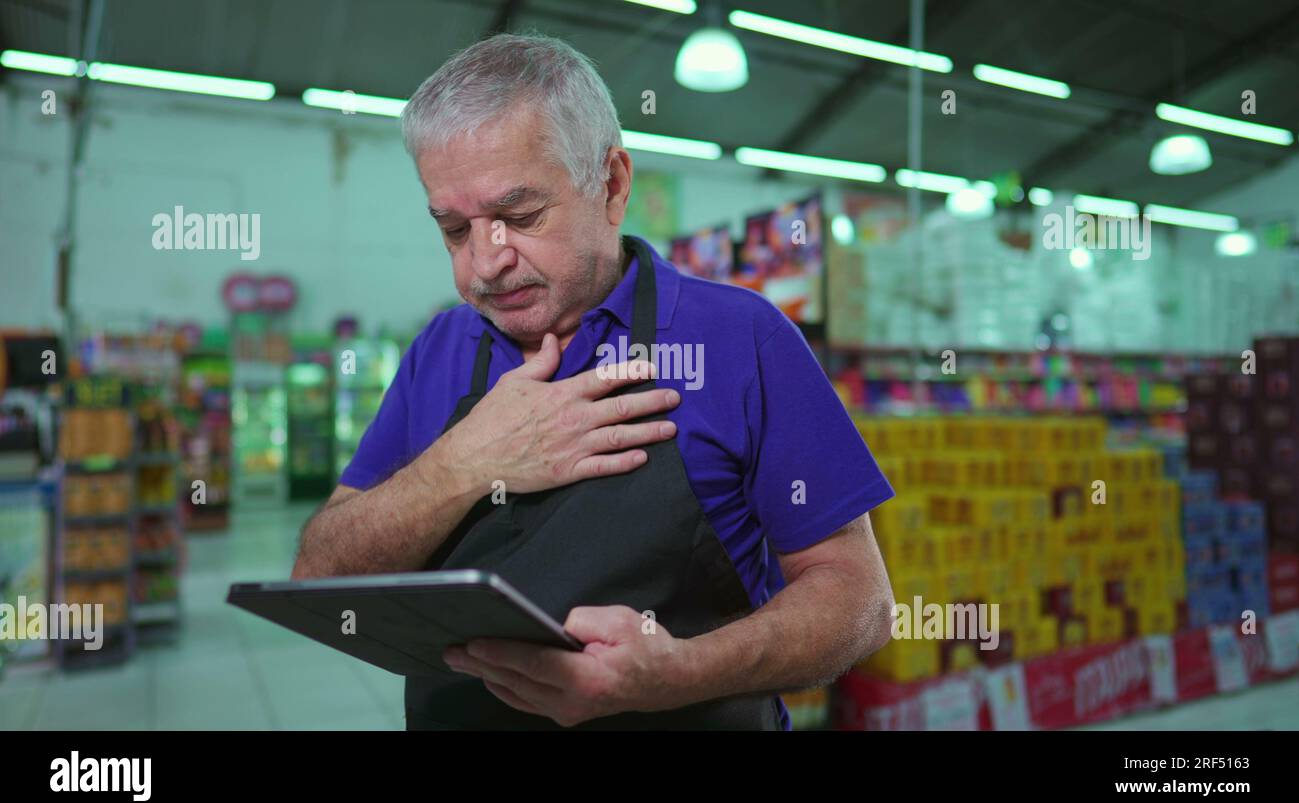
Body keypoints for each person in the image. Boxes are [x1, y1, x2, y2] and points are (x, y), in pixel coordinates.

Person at [292, 32, 896, 730]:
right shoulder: (439, 349)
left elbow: (859, 599)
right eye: (455, 229)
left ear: (610, 184)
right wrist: (464, 463)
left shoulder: (741, 339)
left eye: (520, 217)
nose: (484, 264)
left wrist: (679, 672)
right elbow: (322, 575)